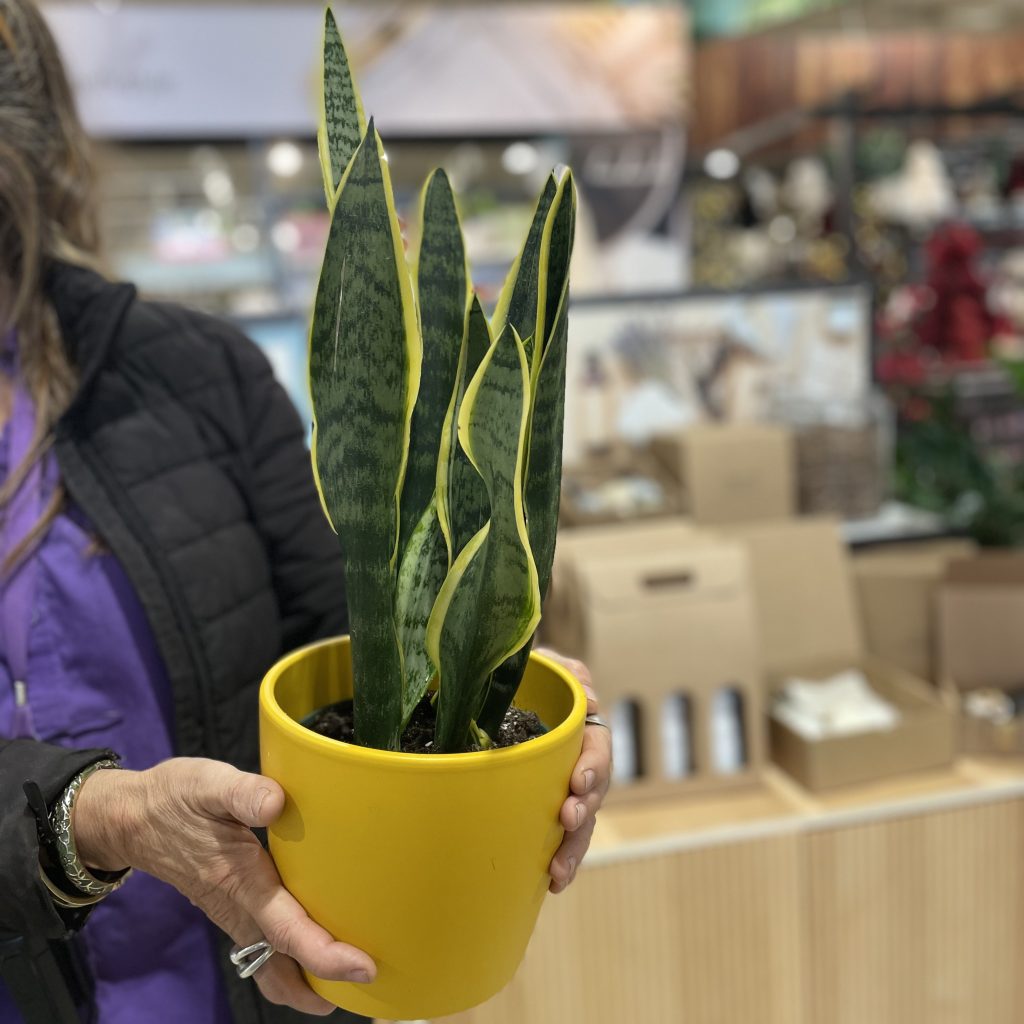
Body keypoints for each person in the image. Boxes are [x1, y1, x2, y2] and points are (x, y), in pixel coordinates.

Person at [0, 2, 613, 1021]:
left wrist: (512, 725)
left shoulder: (194, 374)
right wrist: (92, 817)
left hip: (261, 987)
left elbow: (358, 635)